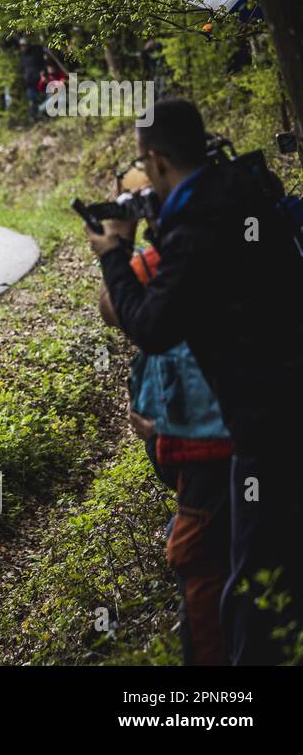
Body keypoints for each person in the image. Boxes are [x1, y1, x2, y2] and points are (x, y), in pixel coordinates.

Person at [86, 98, 303, 665]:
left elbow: (149, 326)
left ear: (155, 160)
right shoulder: (236, 192)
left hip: (264, 425)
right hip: (269, 412)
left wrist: (114, 250)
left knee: (245, 592)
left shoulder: (202, 221)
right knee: (257, 575)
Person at [99, 166, 232, 665]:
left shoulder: (187, 241)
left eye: (140, 191)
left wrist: (117, 248)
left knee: (199, 565)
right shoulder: (230, 217)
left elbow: (119, 310)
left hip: (213, 448)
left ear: (159, 165)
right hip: (231, 439)